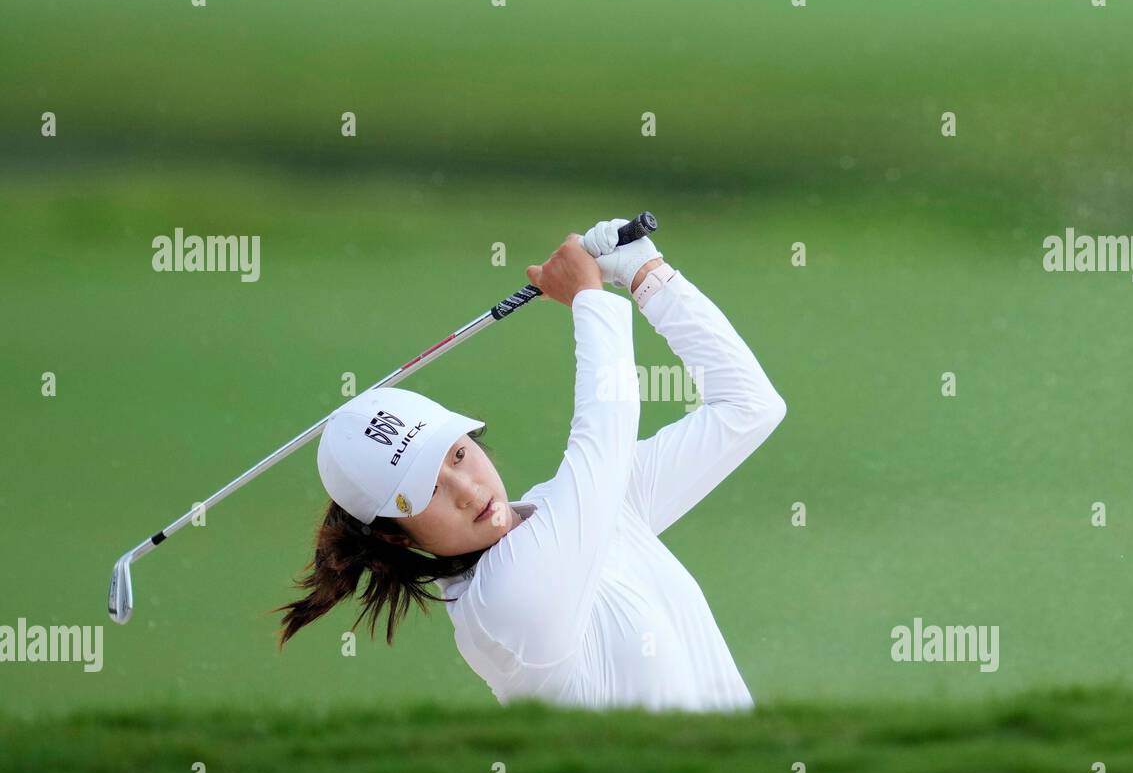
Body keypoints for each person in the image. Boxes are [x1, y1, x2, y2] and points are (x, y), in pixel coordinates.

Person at [278, 218, 786, 712]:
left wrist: (646, 274)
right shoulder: (500, 603)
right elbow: (603, 436)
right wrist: (588, 298)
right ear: (394, 535)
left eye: (457, 454)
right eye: (426, 490)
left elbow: (748, 408)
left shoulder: (580, 508)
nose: (466, 489)